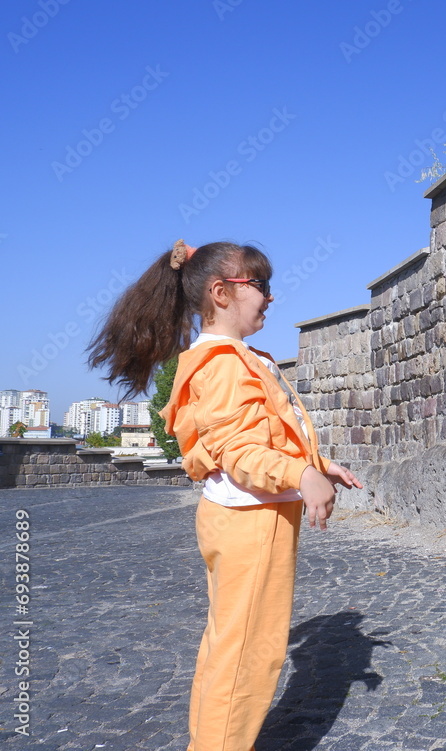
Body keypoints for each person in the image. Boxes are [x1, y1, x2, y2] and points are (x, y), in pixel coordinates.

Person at [88, 239, 362, 751]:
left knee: (227, 647)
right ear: (221, 292)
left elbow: (265, 433)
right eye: (259, 285)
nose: (269, 297)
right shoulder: (223, 364)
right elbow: (239, 451)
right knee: (248, 658)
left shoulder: (233, 357)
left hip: (246, 520)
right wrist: (301, 476)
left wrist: (320, 465)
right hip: (251, 524)